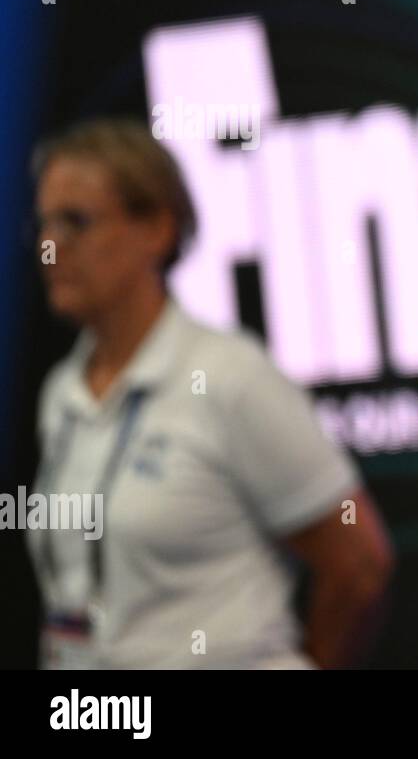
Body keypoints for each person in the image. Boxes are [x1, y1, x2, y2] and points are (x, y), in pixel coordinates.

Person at [29, 119, 394, 669]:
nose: (50, 247)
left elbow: (360, 563)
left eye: (76, 221)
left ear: (156, 228)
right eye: (44, 223)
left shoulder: (230, 376)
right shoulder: (61, 393)